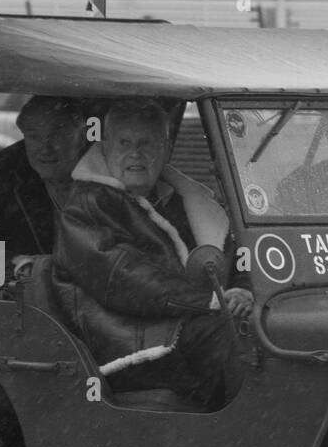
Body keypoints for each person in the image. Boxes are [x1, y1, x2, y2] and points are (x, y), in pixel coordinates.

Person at [52, 98, 251, 410]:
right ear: (105, 146)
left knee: (265, 328)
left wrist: (245, 292)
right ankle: (258, 434)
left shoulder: (187, 200)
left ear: (166, 147)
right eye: (125, 143)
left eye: (146, 143)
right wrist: (209, 302)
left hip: (182, 329)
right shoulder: (87, 206)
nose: (136, 153)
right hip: (127, 344)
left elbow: (233, 252)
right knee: (231, 337)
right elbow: (123, 278)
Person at [0, 96, 88, 277]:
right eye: (34, 136)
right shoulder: (3, 172)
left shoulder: (109, 170)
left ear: (81, 134)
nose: (45, 148)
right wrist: (18, 263)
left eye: (57, 135)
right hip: (22, 292)